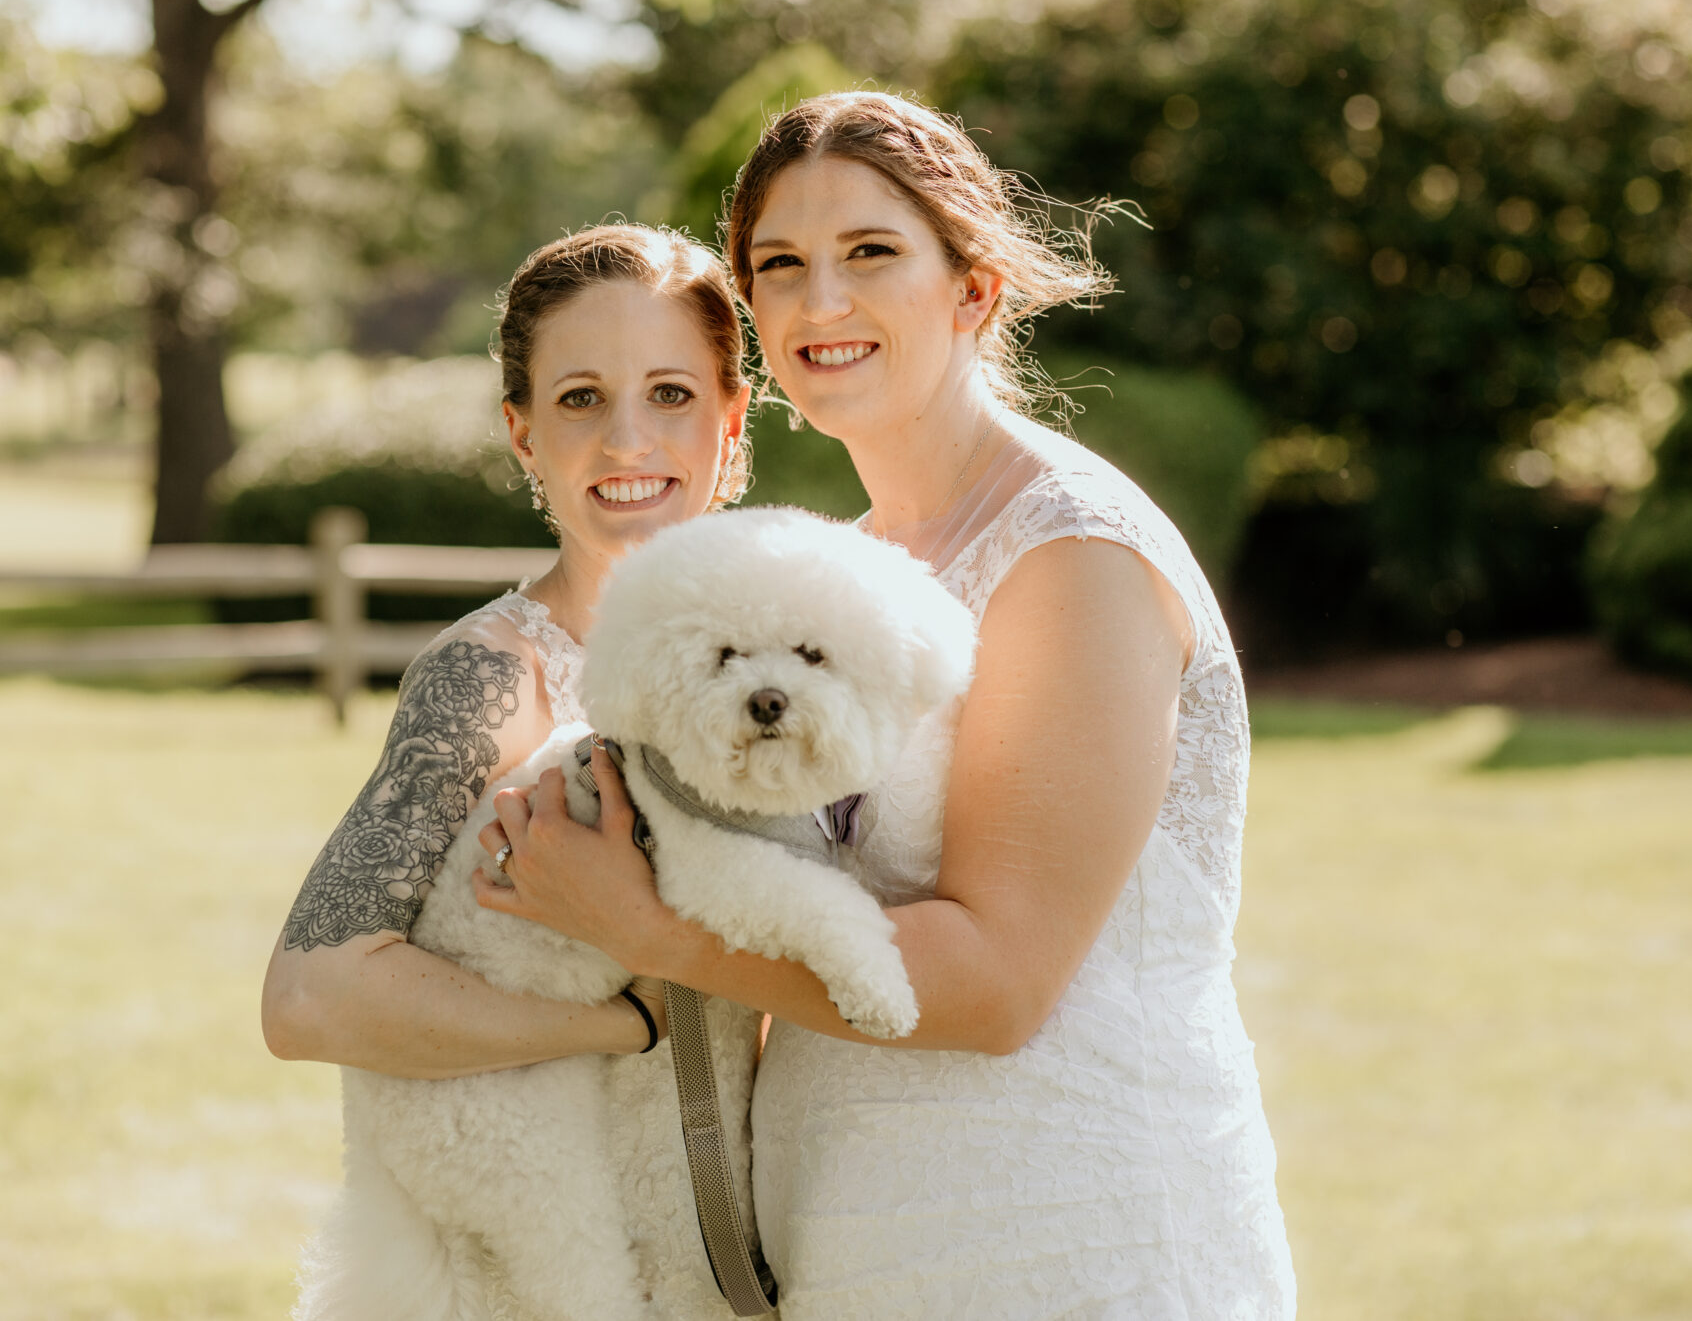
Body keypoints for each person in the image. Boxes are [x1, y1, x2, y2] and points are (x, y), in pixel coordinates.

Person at [474, 93, 1297, 1317]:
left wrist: (646, 923)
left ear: (970, 288)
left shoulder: (1070, 555)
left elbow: (1002, 980)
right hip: (851, 1243)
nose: (819, 304)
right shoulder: (840, 578)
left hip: (1068, 1236)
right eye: (780, 267)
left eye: (869, 253)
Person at [260, 222, 749, 1078]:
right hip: (578, 1194)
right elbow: (309, 996)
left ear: (730, 416)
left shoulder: (797, 649)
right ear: (523, 434)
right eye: (581, 398)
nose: (628, 440)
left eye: (669, 393)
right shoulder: (489, 674)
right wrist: (624, 1024)